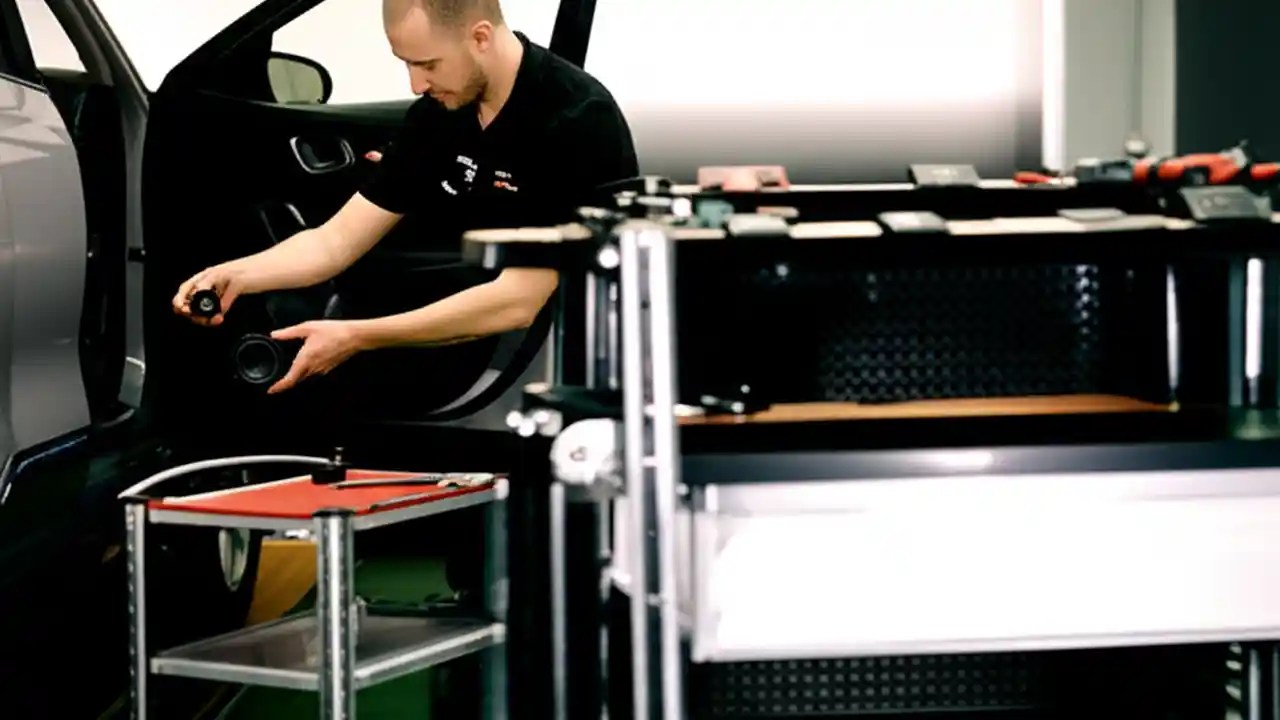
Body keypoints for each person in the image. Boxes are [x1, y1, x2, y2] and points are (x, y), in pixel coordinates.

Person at [172, 0, 639, 396]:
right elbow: (335, 242)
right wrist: (235, 275)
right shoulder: (440, 114)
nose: (416, 84)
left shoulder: (573, 120)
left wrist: (357, 337)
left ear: (480, 38)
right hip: (461, 325)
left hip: (556, 359)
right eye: (407, 64)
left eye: (427, 65)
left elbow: (518, 301)